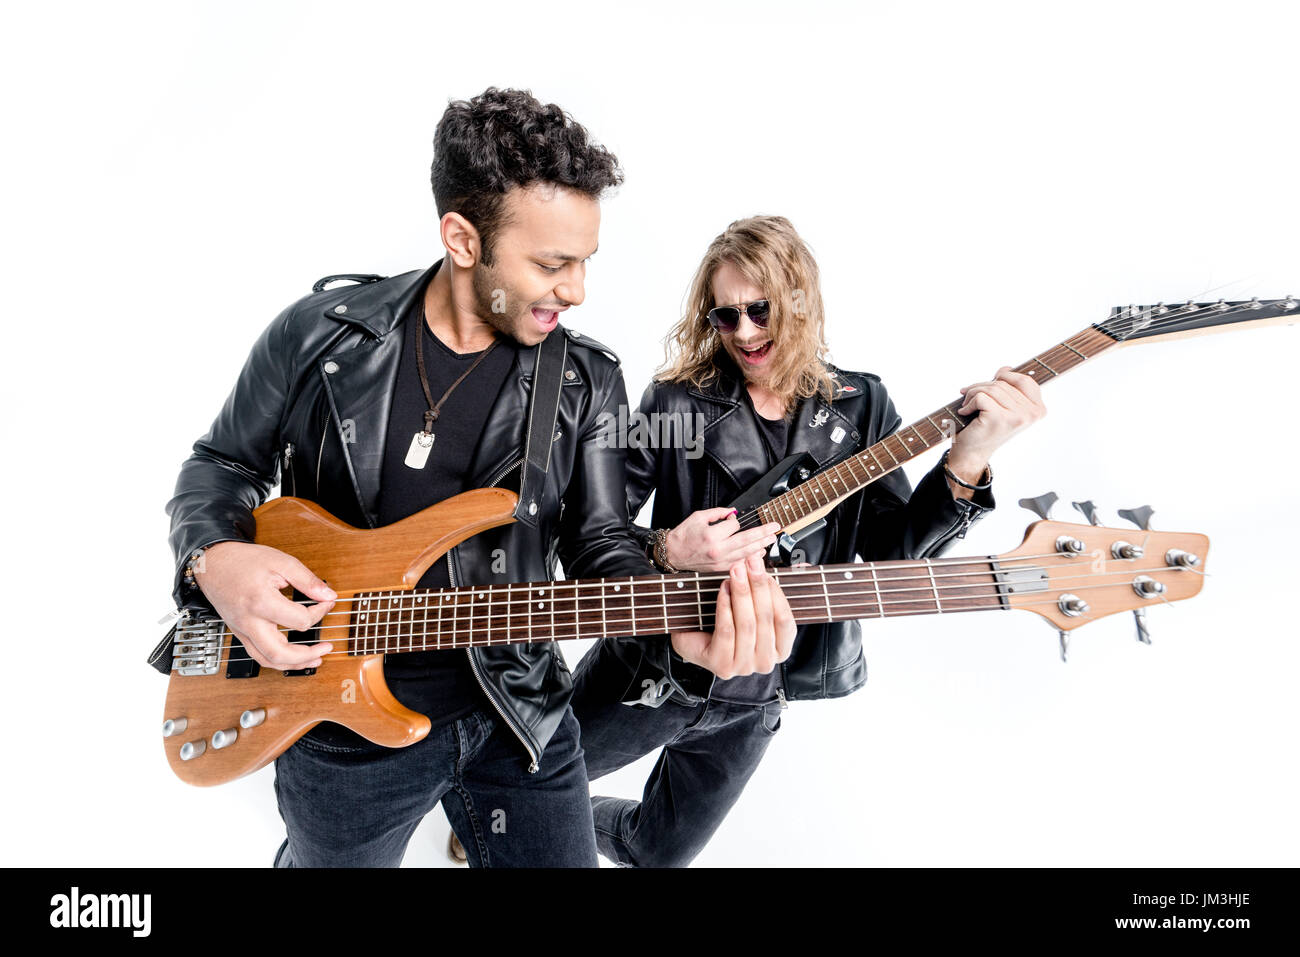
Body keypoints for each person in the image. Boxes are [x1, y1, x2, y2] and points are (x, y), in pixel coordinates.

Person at [163, 90, 794, 868]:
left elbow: (596, 538)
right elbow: (220, 466)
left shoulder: (586, 378)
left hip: (516, 708)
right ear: (463, 239)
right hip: (330, 717)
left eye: (586, 261)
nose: (577, 289)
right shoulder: (318, 336)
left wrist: (668, 622)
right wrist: (215, 559)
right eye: (552, 263)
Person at [569, 214, 1047, 867]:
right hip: (654, 664)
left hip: (756, 690)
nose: (743, 332)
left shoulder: (861, 406)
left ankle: (563, 815)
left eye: (758, 310)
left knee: (658, 852)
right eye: (723, 316)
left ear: (798, 298)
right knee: (526, 779)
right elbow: (594, 526)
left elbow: (892, 550)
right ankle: (523, 816)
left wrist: (968, 459)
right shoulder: (675, 402)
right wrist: (668, 549)